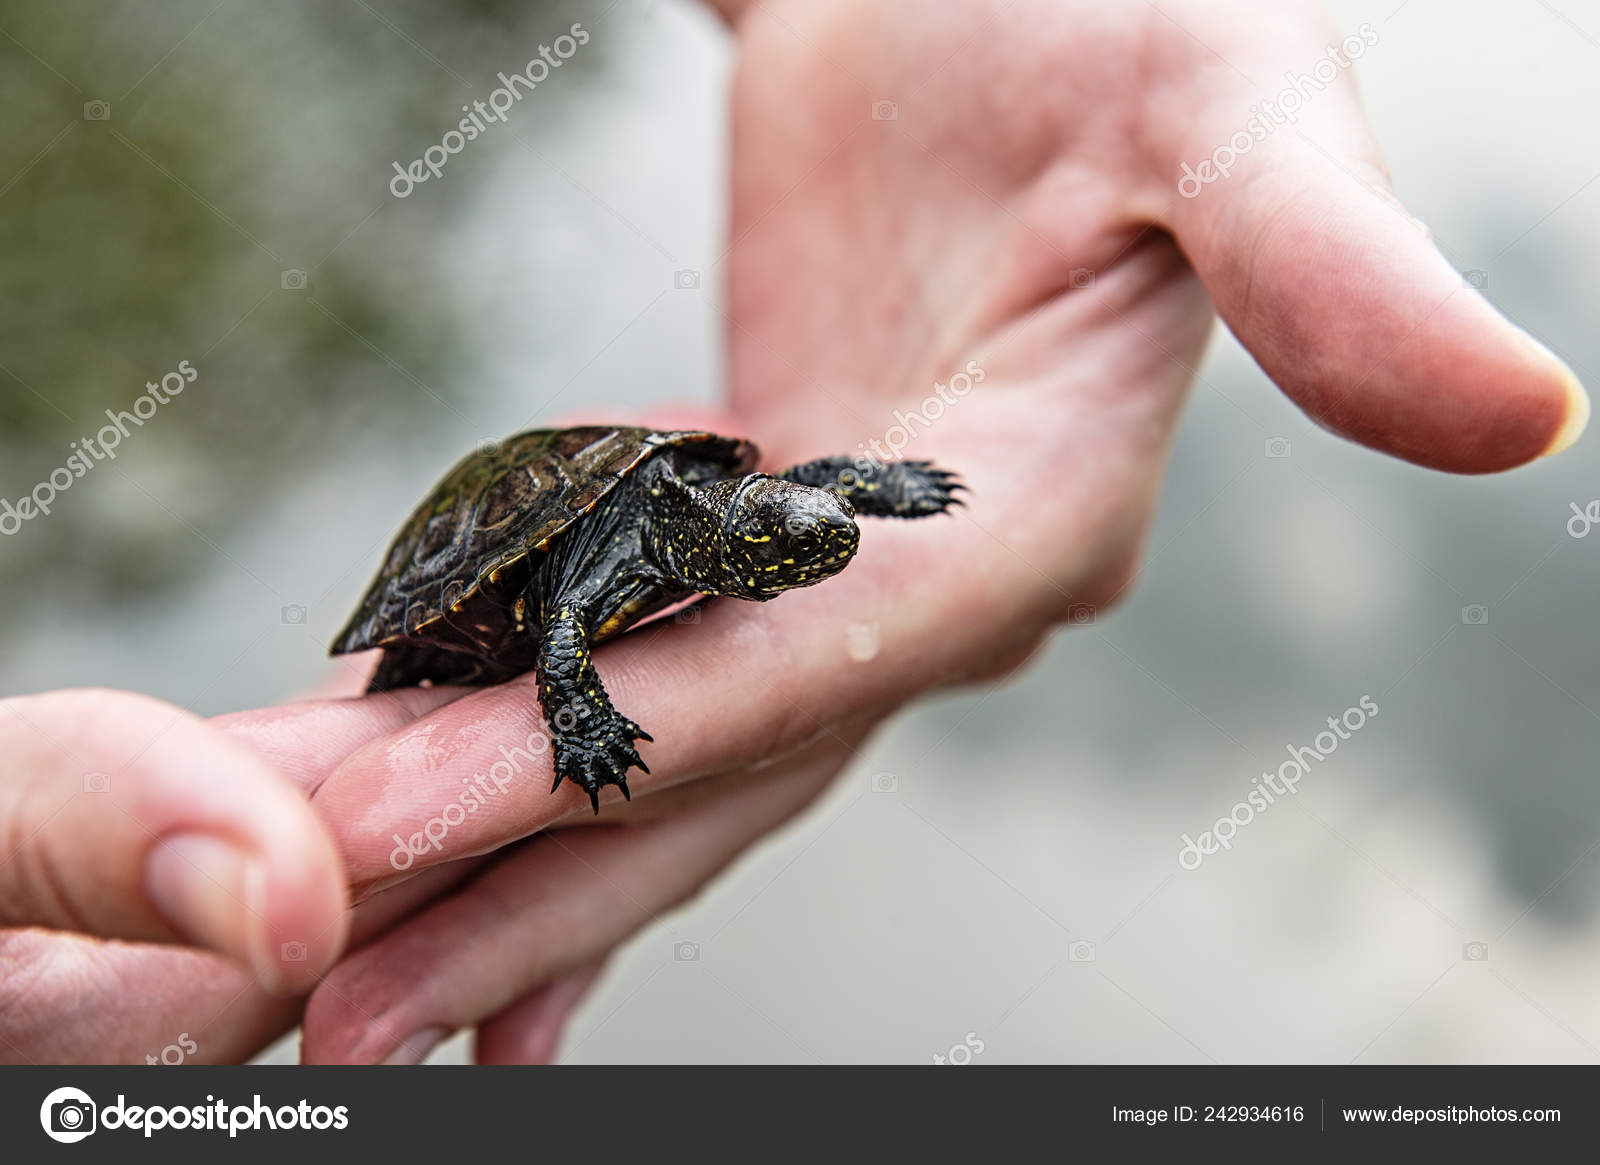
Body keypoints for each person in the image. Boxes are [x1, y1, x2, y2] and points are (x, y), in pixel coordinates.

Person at [0, 0, 1584, 1064]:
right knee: (420, 730)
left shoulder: (746, 510)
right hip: (472, 585)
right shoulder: (647, 528)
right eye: (796, 541)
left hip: (619, 511)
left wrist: (871, 489)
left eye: (809, 539)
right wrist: (581, 714)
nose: (812, 547)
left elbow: (803, 492)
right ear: (730, 538)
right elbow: (565, 622)